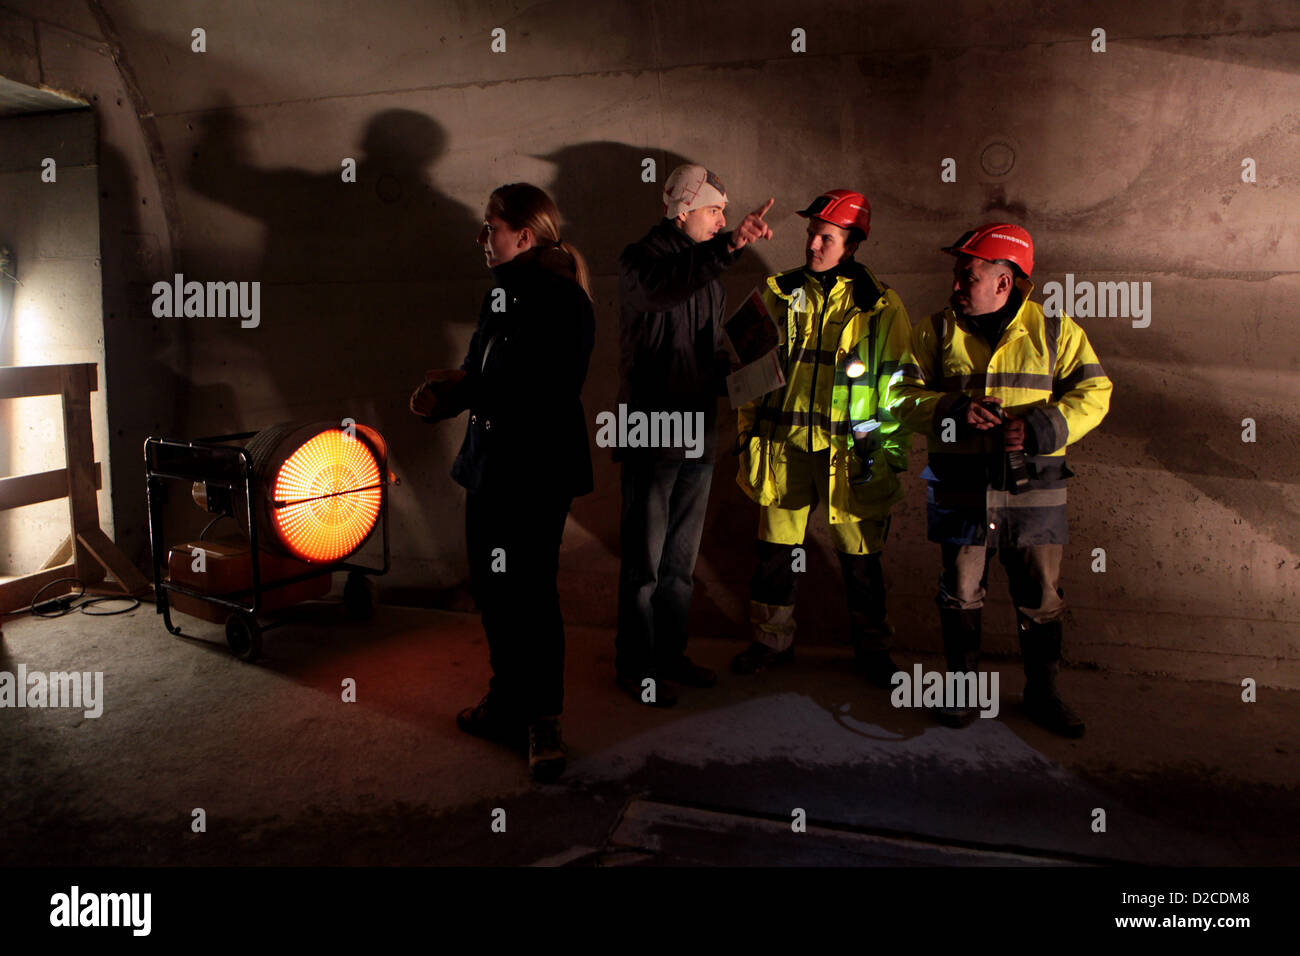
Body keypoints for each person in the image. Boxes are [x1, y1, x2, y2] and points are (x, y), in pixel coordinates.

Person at [890, 223, 1112, 735]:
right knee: (960, 591)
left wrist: (1038, 427)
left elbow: (1095, 394)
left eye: (967, 276)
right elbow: (896, 398)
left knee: (1041, 595)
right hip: (960, 489)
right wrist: (953, 410)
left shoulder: (1057, 332)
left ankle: (1043, 695)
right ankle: (963, 694)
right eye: (957, 275)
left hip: (1033, 489)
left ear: (1004, 282)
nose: (955, 286)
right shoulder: (934, 332)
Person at [410, 182, 595, 781]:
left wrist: (467, 389)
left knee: (531, 595)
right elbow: (482, 370)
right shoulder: (501, 295)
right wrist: (449, 391)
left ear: (524, 233)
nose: (482, 238)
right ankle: (508, 703)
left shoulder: (563, 299)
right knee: (494, 590)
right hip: (491, 467)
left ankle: (543, 722)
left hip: (536, 471)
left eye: (490, 227)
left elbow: (540, 388)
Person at [733, 189, 913, 688]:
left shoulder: (880, 305)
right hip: (784, 448)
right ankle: (771, 643)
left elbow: (898, 386)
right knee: (774, 554)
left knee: (861, 560)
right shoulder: (778, 291)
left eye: (826, 237)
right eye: (811, 234)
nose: (813, 245)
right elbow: (749, 374)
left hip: (848, 457)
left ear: (852, 245)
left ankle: (874, 651)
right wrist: (748, 436)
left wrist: (886, 452)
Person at [613, 164, 774, 707]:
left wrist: (746, 370)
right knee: (644, 565)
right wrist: (730, 245)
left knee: (679, 563)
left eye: (725, 214)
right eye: (715, 211)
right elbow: (664, 291)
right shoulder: (641, 263)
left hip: (696, 430)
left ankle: (669, 656)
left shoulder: (706, 272)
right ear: (684, 210)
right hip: (653, 431)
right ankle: (636, 667)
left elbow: (704, 350)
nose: (722, 221)